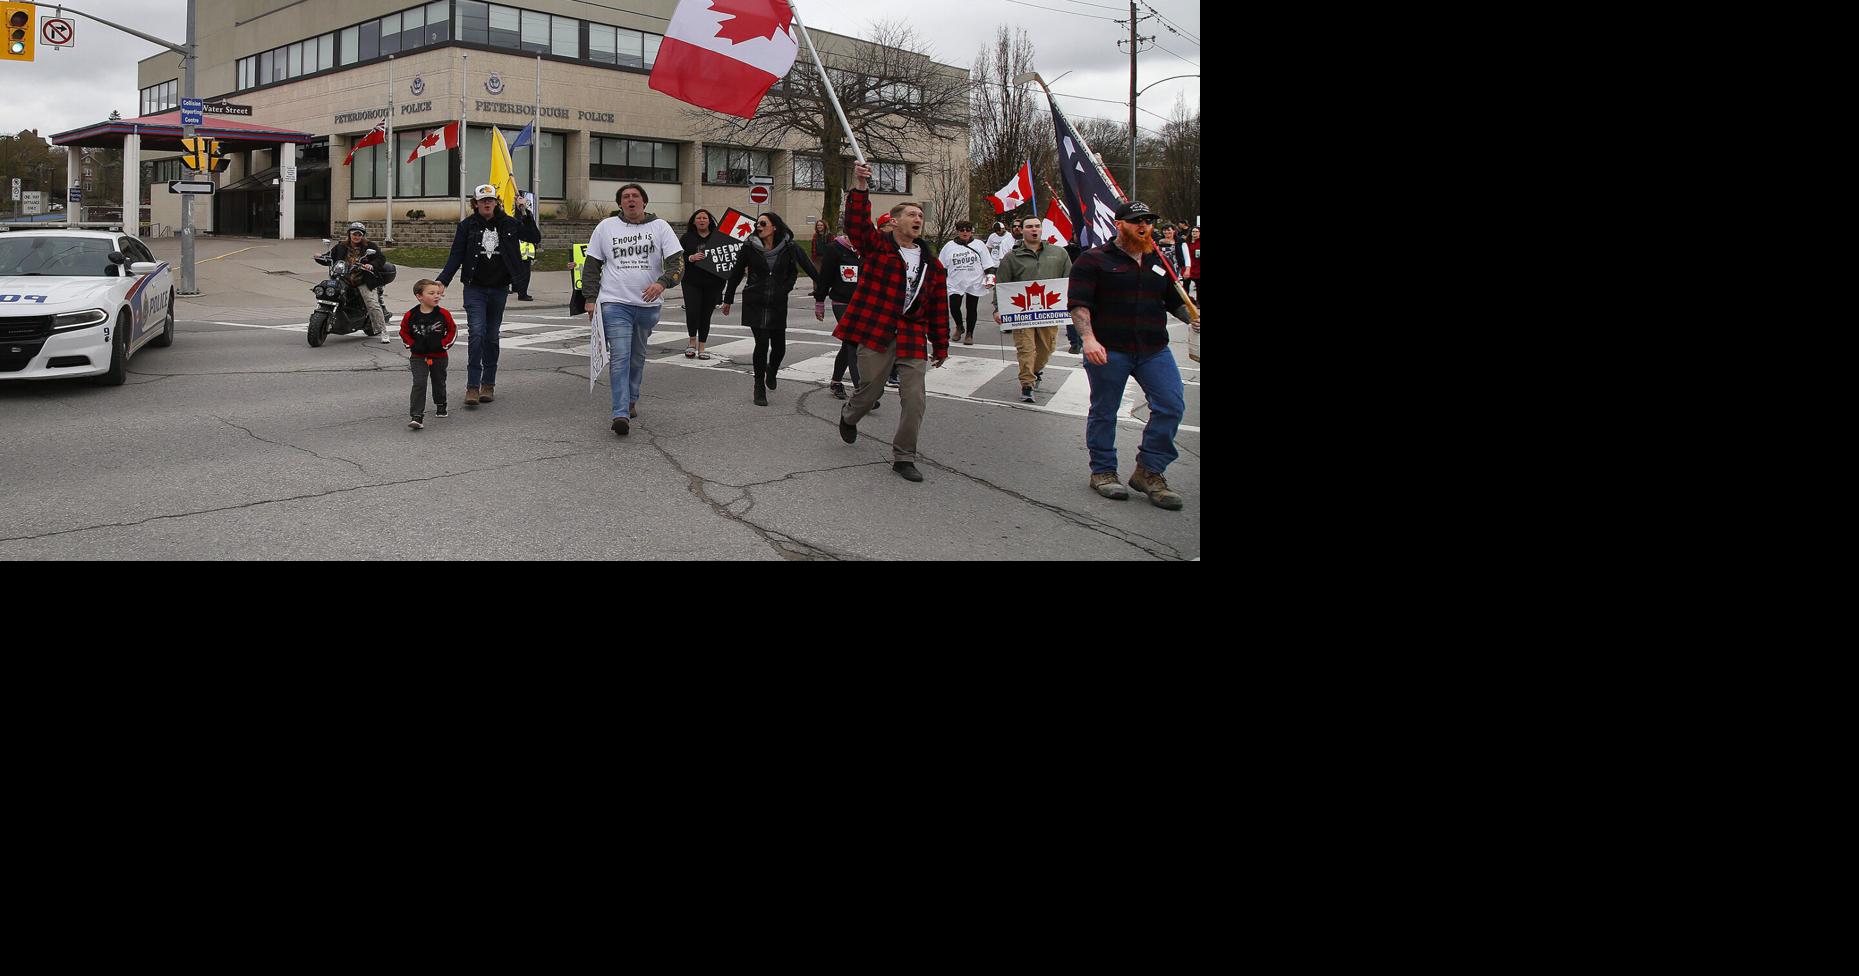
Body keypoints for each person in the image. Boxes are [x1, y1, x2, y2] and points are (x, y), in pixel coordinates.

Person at [1068, 200, 1199, 510]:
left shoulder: (1158, 260)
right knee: (1105, 410)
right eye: (1137, 221)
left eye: (1149, 221)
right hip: (1108, 348)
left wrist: (1191, 317)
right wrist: (1088, 339)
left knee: (1171, 404)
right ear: (1120, 225)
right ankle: (1102, 471)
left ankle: (1150, 471)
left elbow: (1172, 301)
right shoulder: (1093, 260)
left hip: (1153, 349)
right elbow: (1079, 304)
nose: (1144, 227)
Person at [833, 161, 949, 483]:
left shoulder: (933, 265)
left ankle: (903, 457)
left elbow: (939, 307)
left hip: (912, 335)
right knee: (870, 392)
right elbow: (856, 225)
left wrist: (941, 345)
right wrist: (860, 186)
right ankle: (850, 415)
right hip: (877, 328)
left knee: (915, 399)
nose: (917, 219)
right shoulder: (876, 248)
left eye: (920, 216)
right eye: (911, 215)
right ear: (894, 222)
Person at [581, 183, 684, 436]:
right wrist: (590, 298)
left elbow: (677, 263)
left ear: (644, 202)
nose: (630, 200)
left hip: (647, 306)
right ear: (620, 204)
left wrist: (662, 283)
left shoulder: (660, 227)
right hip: (615, 302)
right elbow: (592, 265)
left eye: (635, 196)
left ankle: (631, 398)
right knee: (620, 357)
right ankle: (620, 413)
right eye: (625, 197)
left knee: (637, 357)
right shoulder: (606, 228)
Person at [438, 184, 541, 407]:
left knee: (491, 337)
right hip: (474, 287)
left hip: (499, 288)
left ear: (496, 203)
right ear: (475, 203)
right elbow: (456, 255)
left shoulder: (509, 223)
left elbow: (534, 236)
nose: (487, 204)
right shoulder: (467, 226)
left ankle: (488, 384)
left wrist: (525, 212)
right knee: (476, 333)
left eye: (491, 200)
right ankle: (472, 387)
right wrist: (442, 280)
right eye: (482, 200)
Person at [722, 211, 820, 406]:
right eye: (757, 224)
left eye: (763, 223)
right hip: (755, 300)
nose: (759, 226)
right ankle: (758, 386)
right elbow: (735, 273)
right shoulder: (749, 247)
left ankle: (772, 369)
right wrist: (728, 298)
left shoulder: (790, 247)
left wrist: (824, 290)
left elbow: (808, 268)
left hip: (777, 302)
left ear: (774, 227)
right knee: (761, 343)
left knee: (779, 348)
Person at [995, 214, 1072, 404]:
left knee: (1047, 348)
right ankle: (1027, 385)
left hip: (1049, 311)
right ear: (1022, 230)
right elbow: (1002, 283)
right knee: (1026, 348)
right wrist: (998, 308)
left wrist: (1073, 302)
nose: (1034, 229)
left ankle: (1036, 370)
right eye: (1029, 226)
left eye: (1037, 226)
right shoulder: (1012, 257)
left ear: (1041, 229)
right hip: (1021, 312)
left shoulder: (1059, 253)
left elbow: (1069, 279)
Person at [811, 226, 879, 413]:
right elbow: (825, 277)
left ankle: (836, 381)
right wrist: (819, 301)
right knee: (853, 343)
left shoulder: (868, 249)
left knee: (848, 344)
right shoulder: (835, 248)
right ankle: (862, 392)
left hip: (863, 303)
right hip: (841, 302)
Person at [400, 279, 458, 429]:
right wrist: (411, 344)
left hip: (439, 356)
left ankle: (441, 403)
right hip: (418, 357)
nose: (436, 296)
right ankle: (417, 416)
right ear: (419, 296)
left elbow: (453, 330)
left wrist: (444, 344)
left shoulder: (444, 314)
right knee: (419, 383)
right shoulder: (410, 315)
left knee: (439, 381)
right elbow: (404, 331)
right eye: (431, 293)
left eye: (438, 293)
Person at [327, 223, 390, 344]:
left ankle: (383, 331)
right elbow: (331, 256)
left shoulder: (369, 247)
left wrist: (372, 265)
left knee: (372, 304)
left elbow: (381, 258)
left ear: (363, 235)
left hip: (363, 279)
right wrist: (321, 257)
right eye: (354, 234)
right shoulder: (341, 246)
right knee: (329, 292)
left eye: (359, 234)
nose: (356, 236)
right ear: (349, 234)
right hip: (344, 278)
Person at [679, 209, 726, 360]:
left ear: (710, 221)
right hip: (691, 281)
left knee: (706, 314)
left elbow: (728, 255)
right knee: (692, 312)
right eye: (698, 218)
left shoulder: (719, 237)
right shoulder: (687, 238)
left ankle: (702, 347)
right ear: (693, 221)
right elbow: (678, 258)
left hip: (713, 282)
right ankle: (692, 342)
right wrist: (691, 258)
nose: (701, 220)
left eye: (704, 218)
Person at [938, 220, 993, 346]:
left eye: (968, 229)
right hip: (955, 282)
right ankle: (959, 326)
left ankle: (969, 333)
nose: (965, 232)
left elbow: (988, 264)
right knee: (954, 306)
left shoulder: (979, 245)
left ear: (971, 231)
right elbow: (941, 267)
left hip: (974, 281)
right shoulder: (949, 246)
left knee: (971, 308)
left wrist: (990, 279)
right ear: (957, 231)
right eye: (962, 230)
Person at [514, 193, 538, 301]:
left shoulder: (526, 213)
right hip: (520, 248)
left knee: (524, 272)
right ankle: (521, 293)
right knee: (523, 273)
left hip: (526, 248)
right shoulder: (516, 215)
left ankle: (520, 290)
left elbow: (532, 229)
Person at [1185, 226, 1200, 304]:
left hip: (1198, 267)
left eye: (1196, 231)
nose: (1194, 233)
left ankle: (1198, 301)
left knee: (1198, 286)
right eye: (1193, 231)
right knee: (1186, 285)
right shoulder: (1186, 242)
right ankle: (1186, 301)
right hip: (1188, 267)